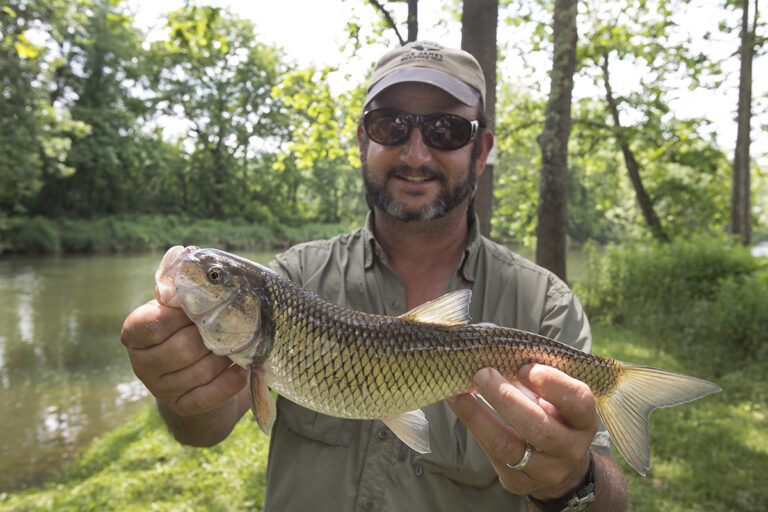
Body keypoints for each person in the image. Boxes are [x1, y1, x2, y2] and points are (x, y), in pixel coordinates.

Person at [121, 40, 629, 511]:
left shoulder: (545, 304)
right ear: (363, 139)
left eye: (446, 130)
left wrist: (572, 482)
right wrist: (181, 391)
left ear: (482, 150)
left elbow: (608, 496)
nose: (415, 153)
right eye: (391, 126)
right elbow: (207, 424)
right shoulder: (295, 276)